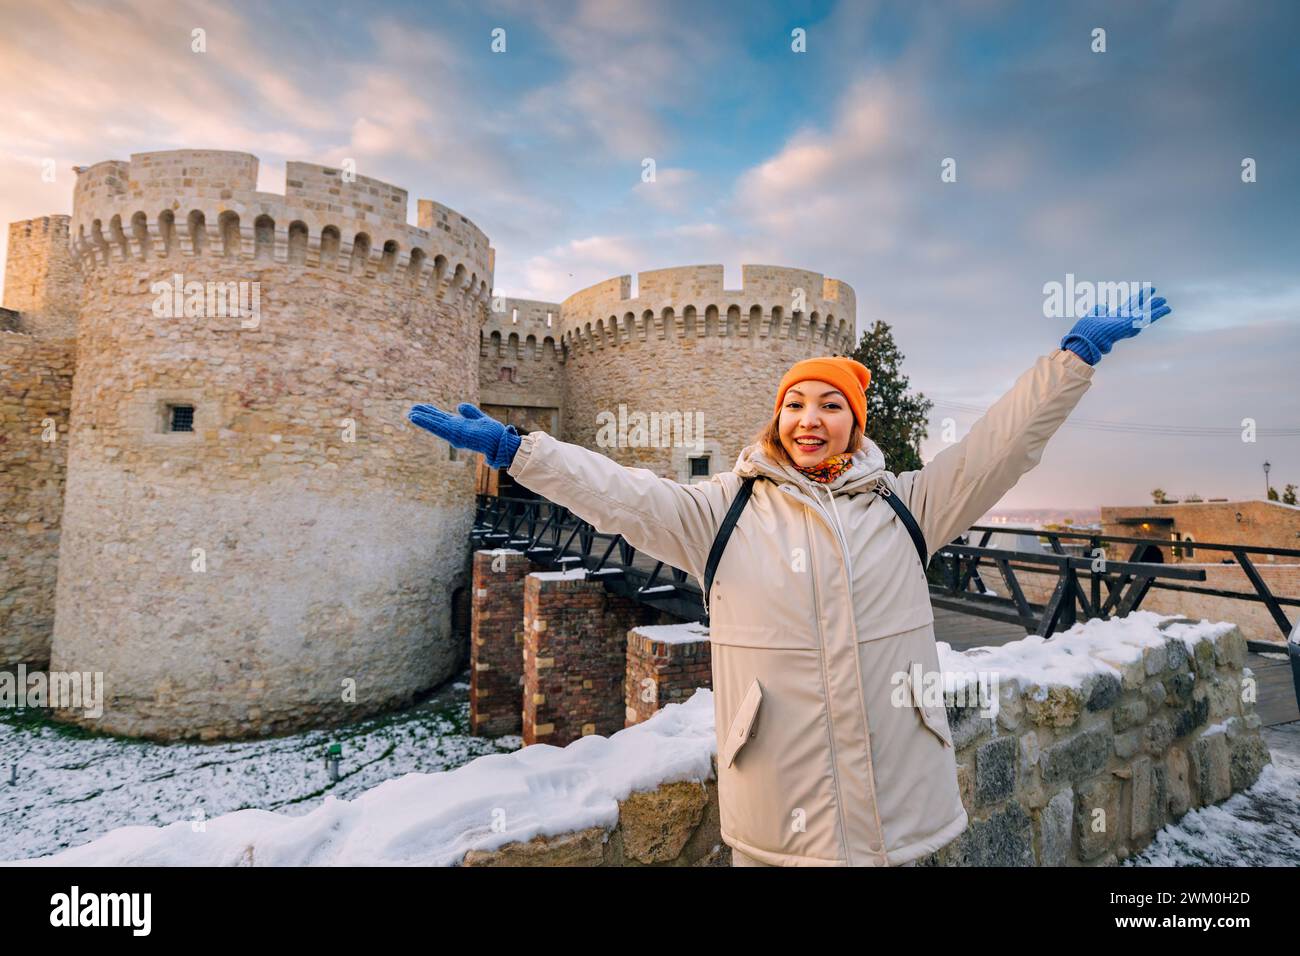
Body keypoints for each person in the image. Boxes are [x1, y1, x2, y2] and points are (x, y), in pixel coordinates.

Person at [408, 289, 1170, 866]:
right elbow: (619, 494)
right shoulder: (721, 514)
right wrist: (518, 451)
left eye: (831, 405)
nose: (811, 418)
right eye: (796, 403)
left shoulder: (910, 508)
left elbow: (1001, 447)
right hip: (779, 812)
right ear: (776, 421)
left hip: (905, 810)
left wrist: (1073, 359)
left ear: (855, 422)